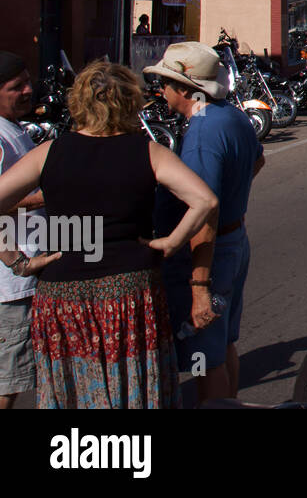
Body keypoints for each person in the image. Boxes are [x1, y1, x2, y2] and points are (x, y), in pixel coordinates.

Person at [0, 60, 217, 409]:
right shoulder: (148, 151)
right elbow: (205, 200)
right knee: (130, 381)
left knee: (73, 389)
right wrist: (171, 243)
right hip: (129, 290)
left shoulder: (50, 152)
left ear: (79, 102)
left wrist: (19, 263)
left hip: (62, 293)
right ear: (130, 101)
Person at [147, 42, 262, 405]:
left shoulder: (201, 132)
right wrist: (234, 197)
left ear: (185, 88)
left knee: (204, 358)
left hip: (212, 253)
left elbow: (202, 213)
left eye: (165, 82)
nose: (160, 90)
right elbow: (258, 161)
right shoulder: (231, 115)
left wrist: (199, 287)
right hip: (234, 239)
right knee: (224, 344)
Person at [0, 52, 52, 409]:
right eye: (16, 87)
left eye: (27, 82)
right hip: (11, 282)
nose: (28, 91)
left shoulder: (12, 128)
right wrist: (18, 262)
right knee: (8, 382)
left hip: (23, 273)